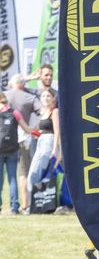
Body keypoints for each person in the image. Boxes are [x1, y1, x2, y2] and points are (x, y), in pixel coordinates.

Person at [0, 91, 37, 215]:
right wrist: (38, 130)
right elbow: (27, 129)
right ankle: (14, 207)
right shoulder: (15, 112)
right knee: (12, 179)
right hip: (12, 149)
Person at [7, 74, 40, 208]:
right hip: (23, 137)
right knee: (23, 172)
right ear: (23, 84)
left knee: (8, 174)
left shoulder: (3, 95)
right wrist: (35, 129)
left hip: (3, 139)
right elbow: (43, 112)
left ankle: (10, 204)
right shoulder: (29, 98)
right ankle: (25, 204)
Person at [27, 88, 59, 206]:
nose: (45, 98)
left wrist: (55, 150)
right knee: (35, 174)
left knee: (38, 173)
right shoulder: (43, 112)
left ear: (53, 98)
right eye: (43, 96)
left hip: (49, 143)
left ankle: (37, 204)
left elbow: (57, 131)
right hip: (40, 142)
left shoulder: (54, 111)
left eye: (48, 96)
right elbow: (38, 130)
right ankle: (35, 203)